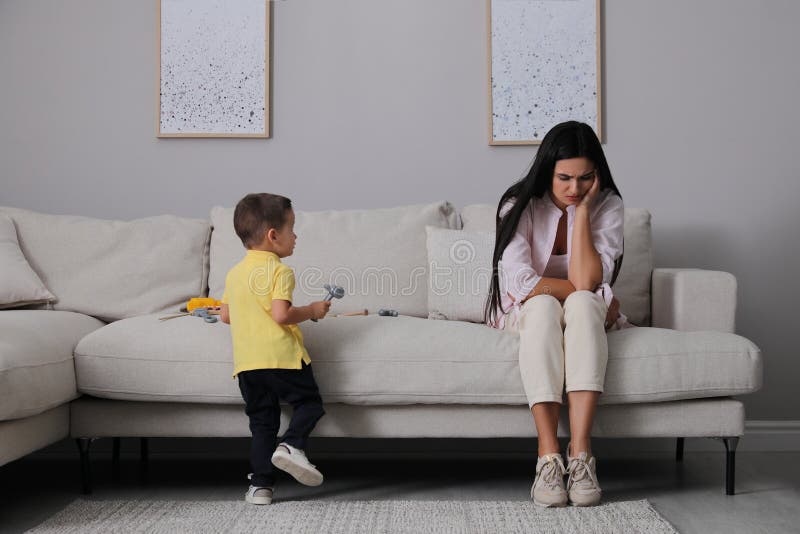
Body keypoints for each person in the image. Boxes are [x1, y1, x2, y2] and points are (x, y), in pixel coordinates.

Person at [484, 121, 628, 508]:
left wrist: (581, 214)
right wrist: (595, 293)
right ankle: (548, 457)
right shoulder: (518, 204)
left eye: (585, 179)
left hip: (583, 314)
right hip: (528, 313)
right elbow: (523, 284)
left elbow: (586, 282)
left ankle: (580, 456)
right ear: (546, 169)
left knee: (581, 305)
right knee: (547, 305)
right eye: (564, 178)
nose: (574, 188)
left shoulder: (607, 205)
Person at [220, 193, 331, 505]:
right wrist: (311, 310)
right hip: (282, 358)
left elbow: (226, 316)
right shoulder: (280, 271)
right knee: (310, 404)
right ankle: (292, 445)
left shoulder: (234, 273)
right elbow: (281, 315)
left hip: (248, 365)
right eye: (292, 228)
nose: (296, 236)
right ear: (273, 235)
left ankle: (260, 486)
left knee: (262, 423)